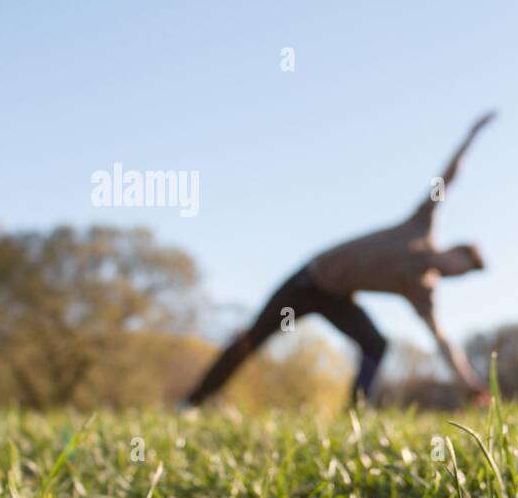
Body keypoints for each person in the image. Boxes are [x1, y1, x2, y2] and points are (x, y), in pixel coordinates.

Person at [185, 112, 497, 407]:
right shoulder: (420, 225)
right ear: (454, 251)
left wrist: (469, 381)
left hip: (337, 299)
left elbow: (441, 339)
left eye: (464, 276)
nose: (458, 275)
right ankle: (194, 400)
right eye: (462, 268)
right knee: (253, 338)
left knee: (376, 344)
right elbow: (447, 179)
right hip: (308, 282)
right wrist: (471, 137)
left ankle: (355, 413)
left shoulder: (422, 290)